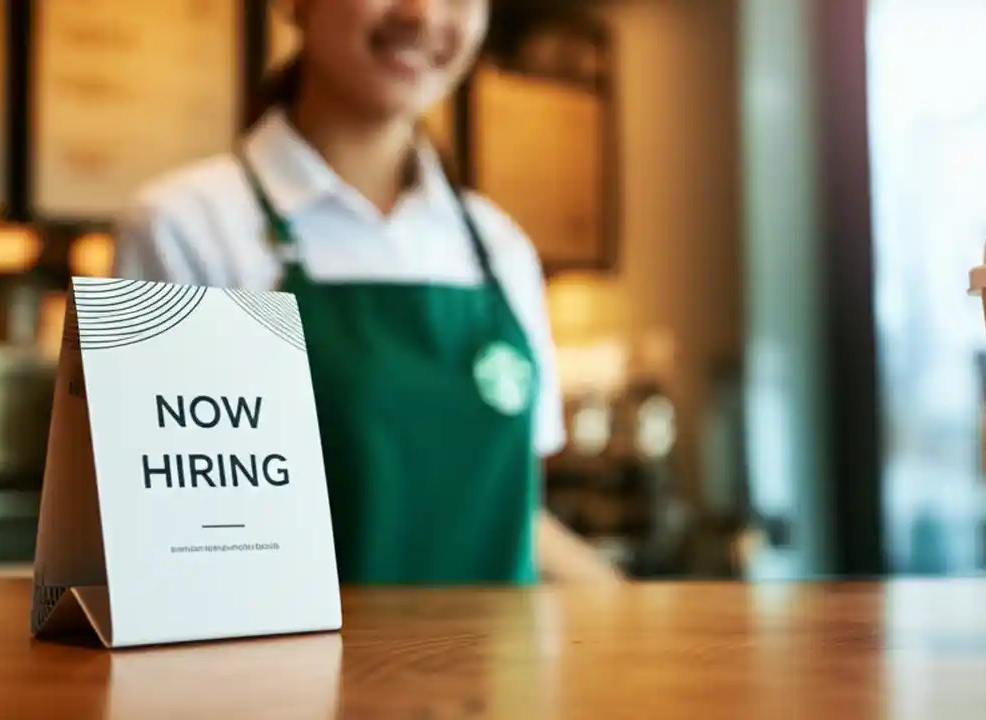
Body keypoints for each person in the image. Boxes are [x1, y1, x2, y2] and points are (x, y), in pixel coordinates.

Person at [114, 0, 620, 584]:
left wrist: (647, 612)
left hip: (502, 647)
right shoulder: (186, 228)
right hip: (295, 648)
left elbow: (513, 517)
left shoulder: (501, 248)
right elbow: (175, 536)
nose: (422, 13)